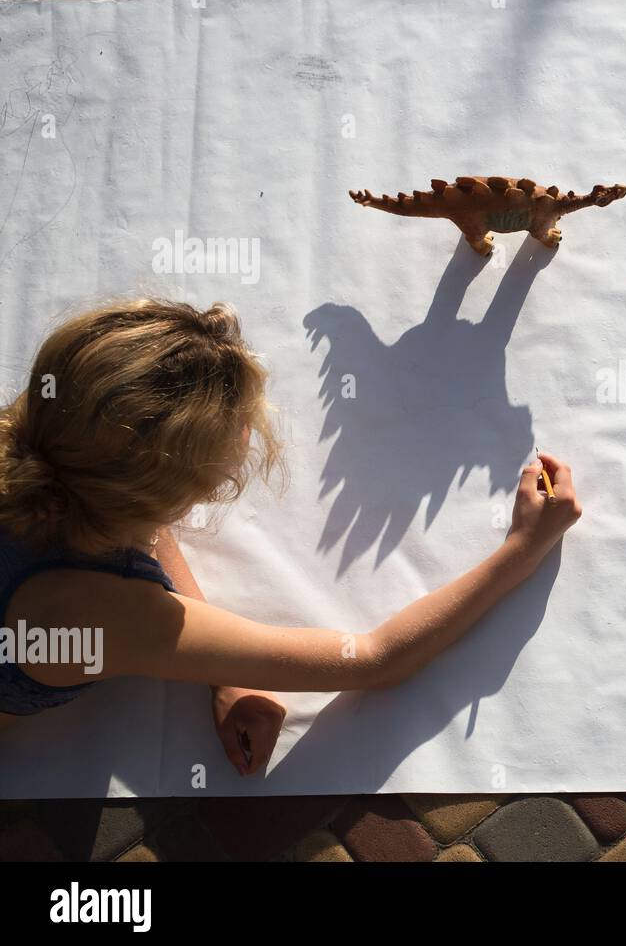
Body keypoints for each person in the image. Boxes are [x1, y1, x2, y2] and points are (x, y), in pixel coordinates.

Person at [0, 299, 579, 775]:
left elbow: (134, 522)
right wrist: (521, 551)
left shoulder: (48, 427)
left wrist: (222, 671)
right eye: (236, 436)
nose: (249, 432)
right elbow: (374, 661)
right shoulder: (96, 615)